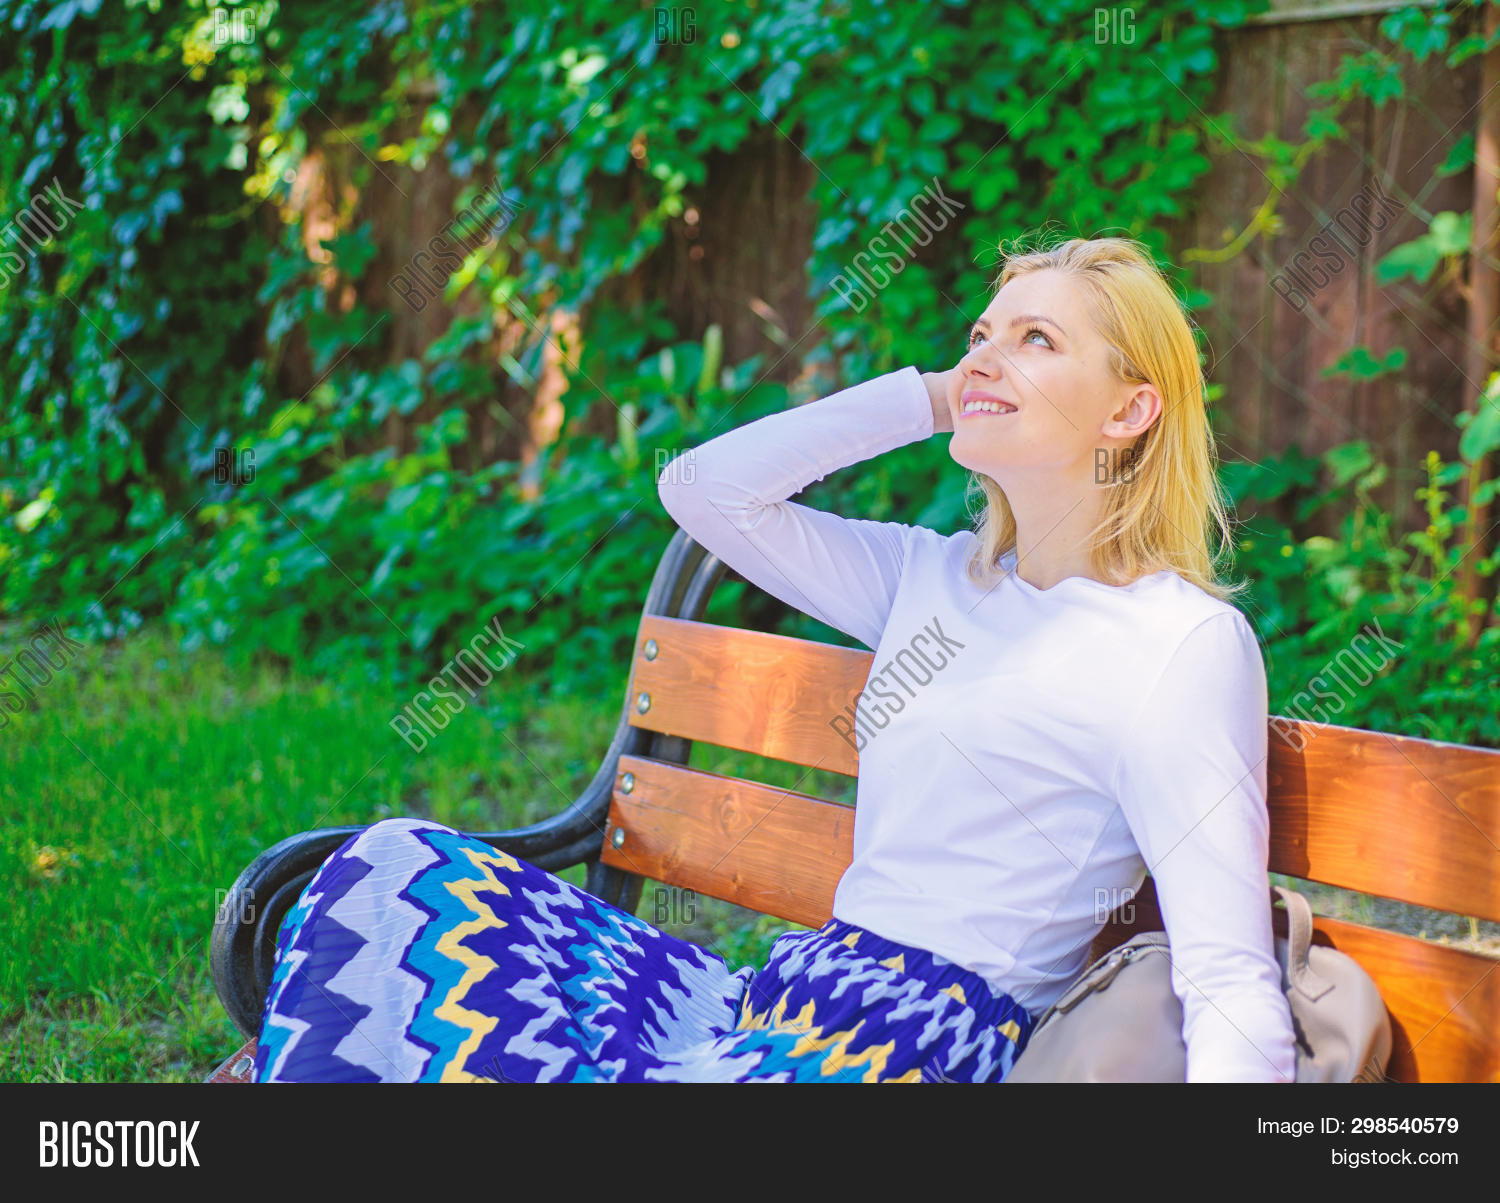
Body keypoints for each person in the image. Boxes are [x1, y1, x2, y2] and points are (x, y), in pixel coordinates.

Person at [254, 233, 1298, 1084]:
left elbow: (1226, 970)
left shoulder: (1179, 643)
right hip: (781, 998)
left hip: (911, 1048)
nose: (987, 354)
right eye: (980, 335)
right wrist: (941, 394)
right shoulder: (932, 578)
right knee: (397, 869)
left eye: (1036, 340)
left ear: (1130, 410)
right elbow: (705, 492)